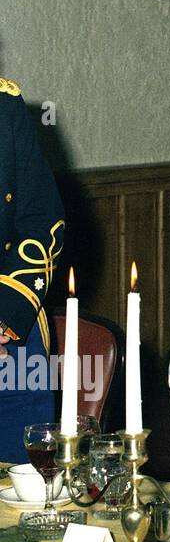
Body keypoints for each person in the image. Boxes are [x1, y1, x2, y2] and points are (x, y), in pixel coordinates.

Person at [0, 77, 65, 463]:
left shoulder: (5, 108)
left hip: (11, 335)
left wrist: (3, 320)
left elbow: (43, 221)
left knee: (28, 502)